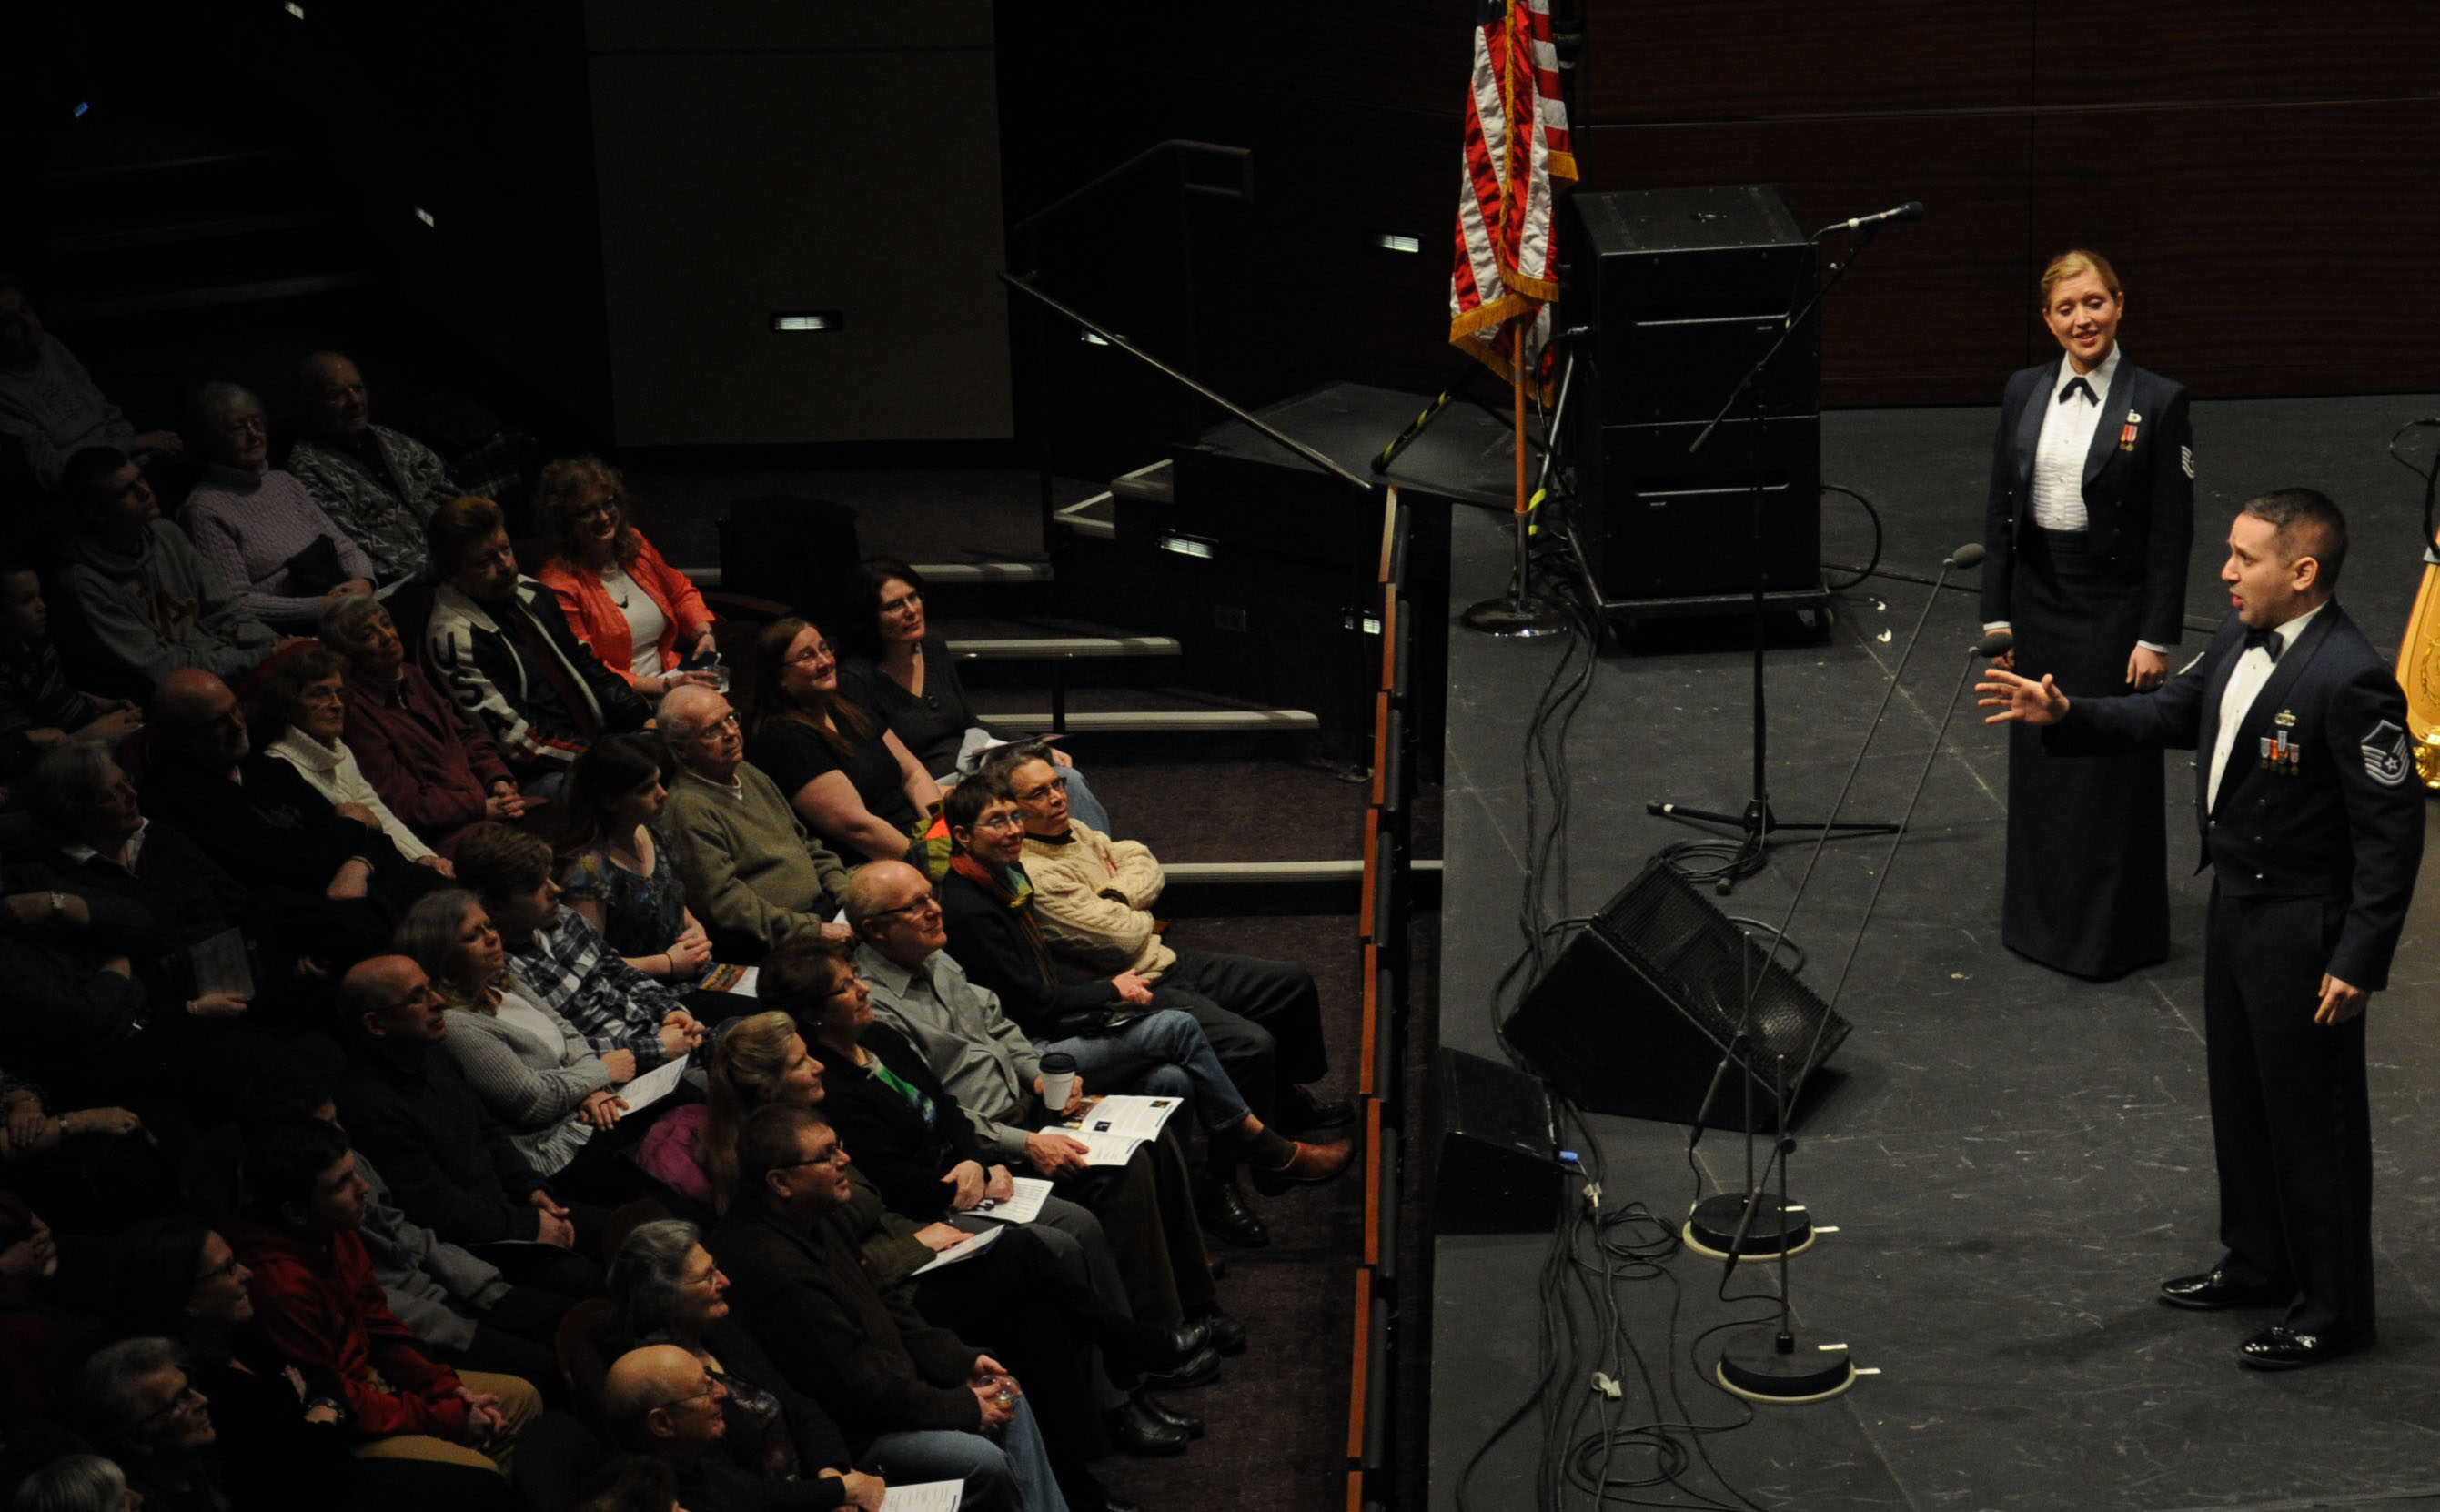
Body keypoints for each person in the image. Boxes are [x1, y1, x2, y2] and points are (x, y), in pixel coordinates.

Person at [1977, 488, 2423, 1370]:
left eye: (2245, 558)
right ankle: (2258, 1261)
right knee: (2243, 1102)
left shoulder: (2352, 678)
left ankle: (2335, 1310)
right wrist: (2070, 715)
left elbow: (2391, 833)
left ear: (2303, 572)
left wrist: (2360, 957)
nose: (2225, 572)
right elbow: (2171, 713)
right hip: (2237, 907)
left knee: (2314, 1123)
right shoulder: (2234, 635)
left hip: (2304, 929)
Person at [764, 938, 1207, 1453]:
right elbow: (894, 1181)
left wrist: (976, 1160)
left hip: (971, 1176)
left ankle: (1133, 1373)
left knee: (1087, 1214)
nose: (863, 988)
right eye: (846, 986)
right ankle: (1118, 1398)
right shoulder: (830, 1089)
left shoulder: (879, 1038)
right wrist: (963, 1181)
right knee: (1059, 1242)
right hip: (928, 1210)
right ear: (813, 1015)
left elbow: (948, 1107)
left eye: (856, 977)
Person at [844, 860, 1235, 1352]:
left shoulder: (934, 956)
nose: (934, 910)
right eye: (915, 905)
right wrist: (1027, 1144)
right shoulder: (874, 1010)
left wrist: (1038, 1076)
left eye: (930, 896)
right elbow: (938, 1115)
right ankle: (1157, 1334)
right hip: (989, 1142)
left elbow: (998, 1025)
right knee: (1122, 1171)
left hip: (1027, 1108)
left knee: (1151, 1137)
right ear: (875, 929)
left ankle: (1198, 1303)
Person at [937, 777, 1347, 1234]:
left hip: (1082, 1002)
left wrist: (1119, 903)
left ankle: (1185, 1209)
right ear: (963, 836)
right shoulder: (969, 908)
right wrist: (1111, 991)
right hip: (1036, 1050)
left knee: (1172, 1079)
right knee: (1179, 1028)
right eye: (998, 821)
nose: (1015, 828)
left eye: (1015, 816)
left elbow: (1138, 860)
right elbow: (1034, 998)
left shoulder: (1006, 877)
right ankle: (1267, 1150)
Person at [1979, 249, 2193, 980]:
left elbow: (2171, 531)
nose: (2083, 319)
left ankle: (2107, 938)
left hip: (2111, 612)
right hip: (2040, 603)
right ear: (2048, 320)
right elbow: (2001, 508)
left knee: (2105, 777)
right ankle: (2040, 924)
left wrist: (2156, 635)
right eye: (2066, 308)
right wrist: (1997, 620)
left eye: (2094, 303)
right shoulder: (2023, 389)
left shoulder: (2159, 400)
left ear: (2120, 305)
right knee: (2042, 769)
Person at [706, 1104, 1074, 1512]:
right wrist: (961, 1407)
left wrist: (958, 1361)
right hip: (855, 1433)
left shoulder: (816, 1216)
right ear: (780, 1182)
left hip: (892, 1390)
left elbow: (887, 1302)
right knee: (980, 1460)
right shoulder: (775, 1268)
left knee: (1007, 1392)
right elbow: (857, 1386)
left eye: (838, 1146)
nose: (844, 1159)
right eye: (826, 1155)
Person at [995, 747, 1348, 1137]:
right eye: (1039, 793)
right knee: (1251, 1044)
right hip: (1130, 987)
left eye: (1057, 784)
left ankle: (1284, 1102)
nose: (1058, 797)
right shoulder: (1037, 873)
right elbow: (1121, 939)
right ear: (1013, 810)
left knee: (1291, 983)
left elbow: (1141, 857)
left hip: (1164, 959)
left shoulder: (1074, 830)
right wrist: (1138, 904)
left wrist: (1117, 897)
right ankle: (1252, 1154)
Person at [227, 1115, 544, 1477]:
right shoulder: (280, 1289)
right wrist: (447, 1418)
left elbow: (381, 1328)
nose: (363, 1187)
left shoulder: (334, 1232)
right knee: (476, 1467)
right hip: (342, 1424)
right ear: (296, 1212)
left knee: (521, 1399)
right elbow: (334, 1396)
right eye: (342, 1183)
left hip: (370, 1383)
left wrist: (446, 1388)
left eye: (354, 1172)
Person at [100, 1215, 480, 1512]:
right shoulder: (200, 1388)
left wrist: (318, 1413)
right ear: (187, 1299)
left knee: (478, 1474)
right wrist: (319, 1420)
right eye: (227, 1269)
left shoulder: (242, 1335)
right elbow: (301, 1478)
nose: (247, 1274)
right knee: (475, 1484)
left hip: (343, 1466)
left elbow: (323, 1378)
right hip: (330, 1491)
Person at [329, 954, 602, 1289]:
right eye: (417, 998)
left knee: (629, 1226)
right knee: (597, 1282)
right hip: (475, 1248)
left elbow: (489, 1132)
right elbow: (437, 1210)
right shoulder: (368, 1106)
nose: (439, 1001)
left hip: (509, 1209)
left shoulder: (432, 1054)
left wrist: (531, 1189)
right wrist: (528, 1226)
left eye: (431, 988)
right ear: (376, 1024)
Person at [142, 668, 439, 959]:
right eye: (218, 722)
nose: (237, 724)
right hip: (301, 916)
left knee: (434, 885)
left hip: (353, 887)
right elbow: (294, 865)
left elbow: (375, 836)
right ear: (181, 738)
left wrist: (359, 865)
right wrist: (352, 823)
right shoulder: (177, 799)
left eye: (236, 709)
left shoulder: (267, 769)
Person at [600, 1222, 886, 1509]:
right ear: (665, 1299)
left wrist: (831, 1473)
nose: (724, 1281)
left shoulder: (719, 1332)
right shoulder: (660, 1381)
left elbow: (800, 1407)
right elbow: (737, 1494)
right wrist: (835, 1492)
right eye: (707, 1277)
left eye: (716, 1268)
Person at [398, 888, 659, 1194]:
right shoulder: (456, 1024)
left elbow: (568, 1032)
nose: (492, 938)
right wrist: (603, 1071)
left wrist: (593, 1090)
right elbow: (532, 1100)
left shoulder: (503, 981)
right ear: (442, 956)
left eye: (489, 927)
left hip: (589, 1109)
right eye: (473, 936)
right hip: (556, 1148)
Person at [837, 559, 1111, 834]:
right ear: (868, 618)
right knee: (1040, 794)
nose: (912, 610)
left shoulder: (931, 645)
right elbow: (880, 770)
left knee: (1066, 779)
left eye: (914, 597)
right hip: (929, 787)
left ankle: (1099, 854)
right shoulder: (856, 679)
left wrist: (1034, 748)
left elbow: (969, 722)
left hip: (976, 768)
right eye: (895, 605)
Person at [422, 494, 650, 795]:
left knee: (686, 725)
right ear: (452, 575)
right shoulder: (455, 639)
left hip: (598, 740)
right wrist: (603, 759)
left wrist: (643, 718)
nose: (505, 565)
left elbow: (584, 664)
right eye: (485, 562)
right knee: (632, 786)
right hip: (541, 771)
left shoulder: (530, 591)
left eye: (505, 549)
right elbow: (519, 740)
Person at [452, 822, 707, 1069]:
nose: (556, 889)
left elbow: (620, 973)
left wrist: (670, 1011)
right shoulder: (501, 970)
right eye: (534, 887)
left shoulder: (563, 918)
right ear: (495, 906)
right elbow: (562, 1049)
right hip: (626, 1070)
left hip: (662, 1033)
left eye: (548, 877)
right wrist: (657, 1047)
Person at [50, 448, 278, 700]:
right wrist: (259, 656)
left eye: (141, 478)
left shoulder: (165, 534)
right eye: (126, 491)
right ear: (96, 512)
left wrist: (274, 644)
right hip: (177, 695)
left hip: (226, 663)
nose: (145, 492)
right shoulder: (85, 583)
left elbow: (225, 610)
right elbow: (161, 668)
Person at [322, 593, 525, 859]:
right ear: (347, 655)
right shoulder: (355, 712)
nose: (386, 636)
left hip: (487, 807)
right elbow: (400, 800)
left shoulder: (411, 675)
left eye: (386, 623)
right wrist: (477, 806)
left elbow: (466, 737)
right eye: (367, 636)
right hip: (446, 834)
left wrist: (497, 779)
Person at [659, 685, 853, 960]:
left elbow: (806, 844)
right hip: (780, 940)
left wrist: (846, 894)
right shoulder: (688, 808)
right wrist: (812, 930)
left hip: (824, 908)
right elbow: (726, 905)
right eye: (712, 731)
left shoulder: (747, 772)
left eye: (730, 718)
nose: (730, 733)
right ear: (682, 749)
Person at [176, 383, 377, 630]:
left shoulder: (283, 481)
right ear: (211, 439)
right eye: (237, 428)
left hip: (343, 600)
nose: (253, 435)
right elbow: (236, 602)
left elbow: (343, 545)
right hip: (293, 627)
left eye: (257, 423)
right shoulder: (204, 508)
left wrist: (363, 580)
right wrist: (322, 605)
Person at [745, 619, 938, 868]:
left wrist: (940, 831)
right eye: (807, 657)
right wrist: (933, 861)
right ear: (780, 678)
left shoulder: (842, 705)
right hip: (873, 861)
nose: (825, 662)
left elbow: (912, 773)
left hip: (918, 838)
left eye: (824, 649)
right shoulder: (784, 739)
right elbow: (857, 828)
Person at [529, 459, 719, 699]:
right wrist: (667, 687)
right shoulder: (557, 585)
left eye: (607, 503)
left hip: (672, 674)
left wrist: (703, 633)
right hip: (624, 699)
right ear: (562, 522)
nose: (603, 517)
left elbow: (679, 592)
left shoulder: (635, 545)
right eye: (587, 512)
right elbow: (590, 669)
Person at [253, 647, 449, 874]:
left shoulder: (338, 750)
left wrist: (425, 858)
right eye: (320, 694)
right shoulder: (277, 767)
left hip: (383, 864)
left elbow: (378, 814)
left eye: (338, 693)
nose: (337, 704)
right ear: (287, 704)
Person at [284, 352, 459, 585]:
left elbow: (448, 493)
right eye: (336, 395)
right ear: (311, 405)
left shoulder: (392, 440)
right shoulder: (307, 469)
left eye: (358, 388)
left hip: (461, 557)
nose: (355, 401)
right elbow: (352, 544)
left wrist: (476, 540)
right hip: (411, 584)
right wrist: (443, 569)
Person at [0, 273, 181, 492]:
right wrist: (130, 446)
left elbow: (102, 408)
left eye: (25, 309)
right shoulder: (6, 393)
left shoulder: (49, 347)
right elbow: (51, 471)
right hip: (86, 486)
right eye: (10, 322)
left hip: (119, 458)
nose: (28, 323)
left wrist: (133, 451)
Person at [556, 733, 713, 983]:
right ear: (610, 802)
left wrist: (695, 930)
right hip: (641, 991)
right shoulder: (589, 869)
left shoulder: (651, 831)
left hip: (690, 973)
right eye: (646, 789)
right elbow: (587, 963)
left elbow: (669, 901)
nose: (663, 794)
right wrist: (668, 964)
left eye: (659, 782)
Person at [0, 555, 142, 786]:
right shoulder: (6, 675)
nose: (41, 606)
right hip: (67, 764)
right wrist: (91, 735)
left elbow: (58, 692)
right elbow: (23, 755)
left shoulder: (37, 641)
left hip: (92, 732)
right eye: (26, 600)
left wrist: (108, 704)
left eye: (39, 595)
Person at [69, 1338, 231, 1512]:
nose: (202, 1400)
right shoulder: (138, 1505)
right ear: (138, 1440)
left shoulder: (209, 1466)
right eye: (180, 1400)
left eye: (189, 1387)